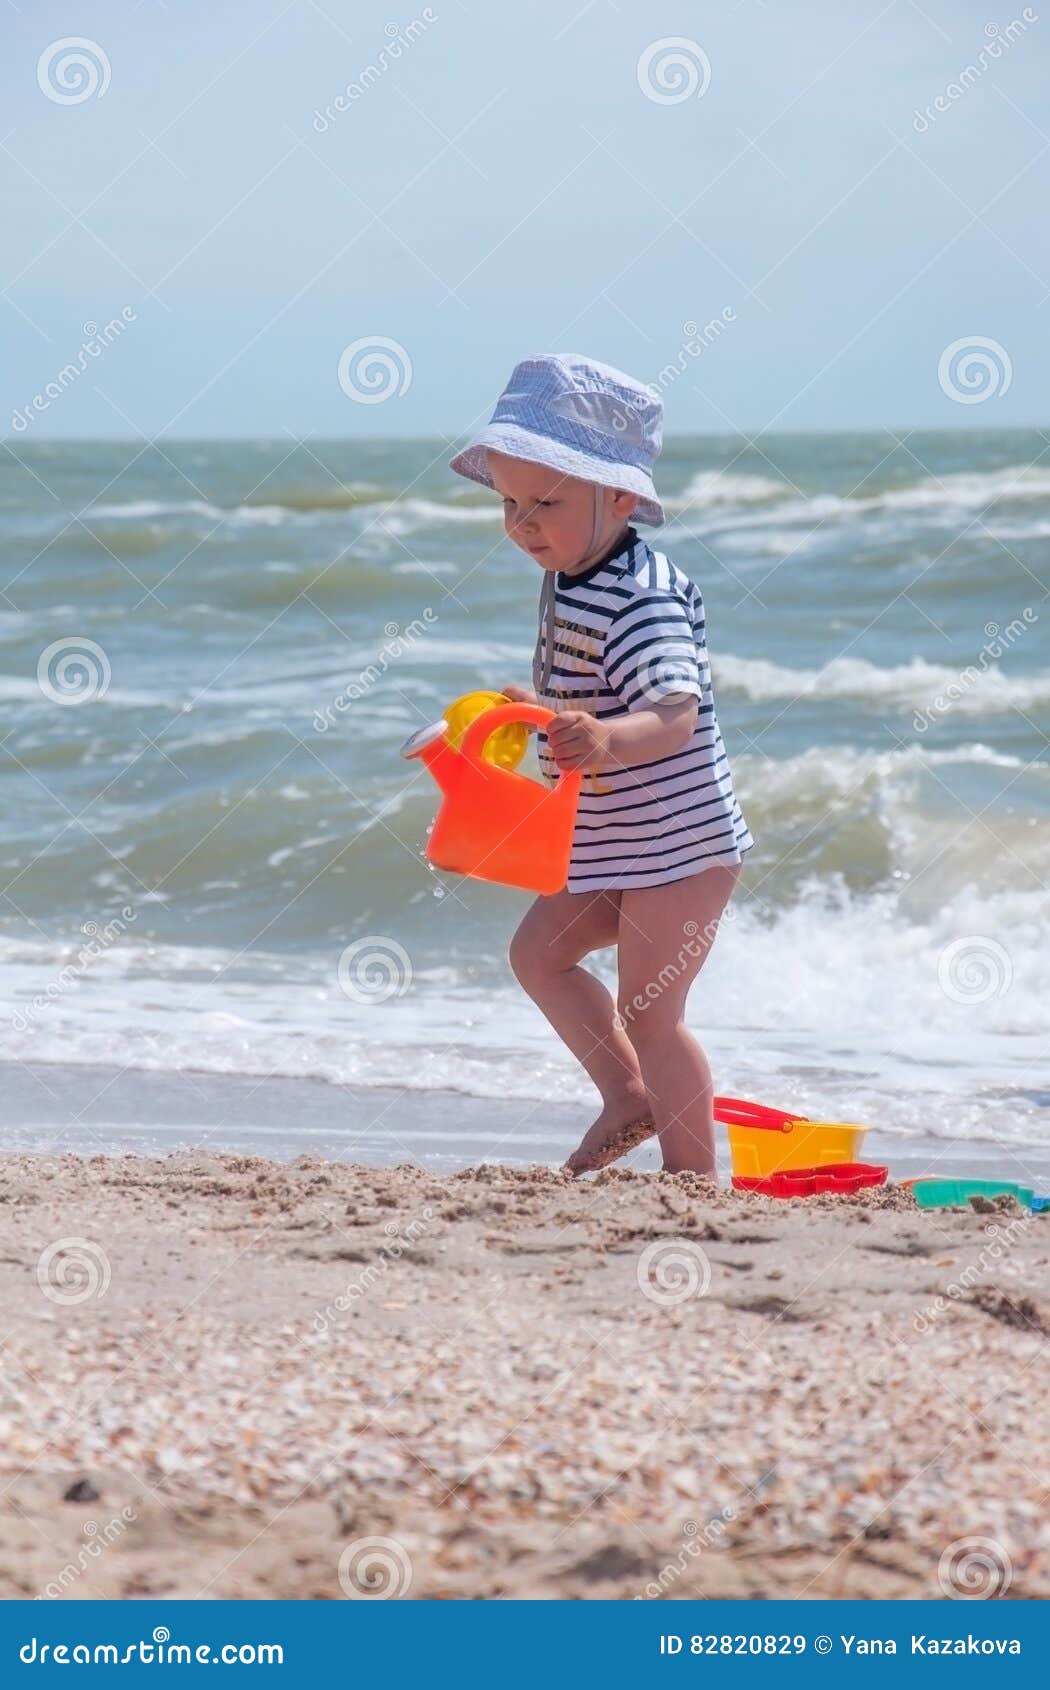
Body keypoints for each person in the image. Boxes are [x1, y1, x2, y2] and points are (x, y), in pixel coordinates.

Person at [448, 353, 753, 1177]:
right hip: (613, 840)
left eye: (545, 502)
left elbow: (673, 715)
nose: (521, 522)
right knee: (538, 955)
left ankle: (691, 1181)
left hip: (681, 848)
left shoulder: (640, 592)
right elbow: (590, 690)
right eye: (509, 502)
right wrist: (538, 713)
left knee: (653, 1013)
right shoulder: (569, 574)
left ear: (619, 497)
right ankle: (628, 1099)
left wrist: (607, 738)